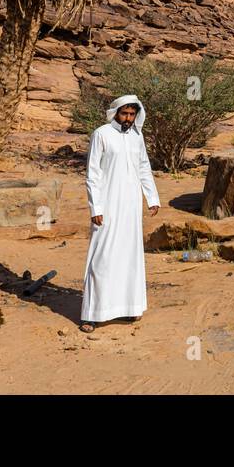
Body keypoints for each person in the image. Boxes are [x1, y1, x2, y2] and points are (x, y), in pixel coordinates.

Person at [80, 94, 160, 333]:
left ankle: (129, 307)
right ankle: (92, 314)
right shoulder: (101, 134)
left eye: (132, 114)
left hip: (131, 206)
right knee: (101, 258)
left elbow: (143, 167)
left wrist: (152, 198)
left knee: (129, 256)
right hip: (107, 205)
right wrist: (97, 207)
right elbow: (92, 174)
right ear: (115, 112)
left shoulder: (137, 136)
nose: (128, 118)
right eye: (124, 113)